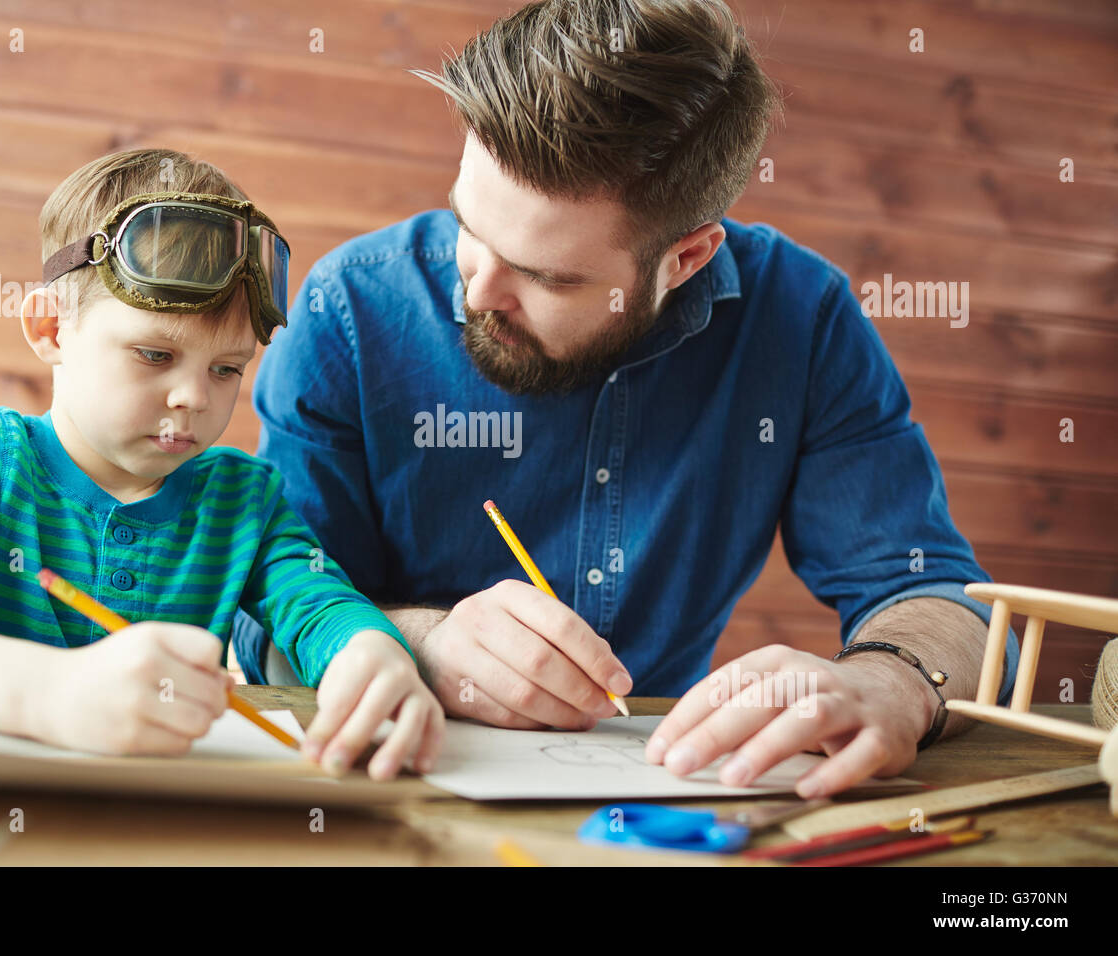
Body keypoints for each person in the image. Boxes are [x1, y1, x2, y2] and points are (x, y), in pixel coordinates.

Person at [234, 0, 1020, 798]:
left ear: (685, 258)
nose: (477, 291)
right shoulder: (349, 308)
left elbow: (930, 590)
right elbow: (266, 611)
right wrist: (416, 641)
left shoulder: (801, 320)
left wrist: (899, 680)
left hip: (665, 800)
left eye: (546, 276)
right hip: (389, 789)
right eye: (470, 225)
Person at [0, 148, 443, 781]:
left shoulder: (243, 502)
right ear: (51, 329)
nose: (195, 397)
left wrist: (371, 653)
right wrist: (49, 694)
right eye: (152, 355)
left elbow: (319, 605)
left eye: (227, 368)